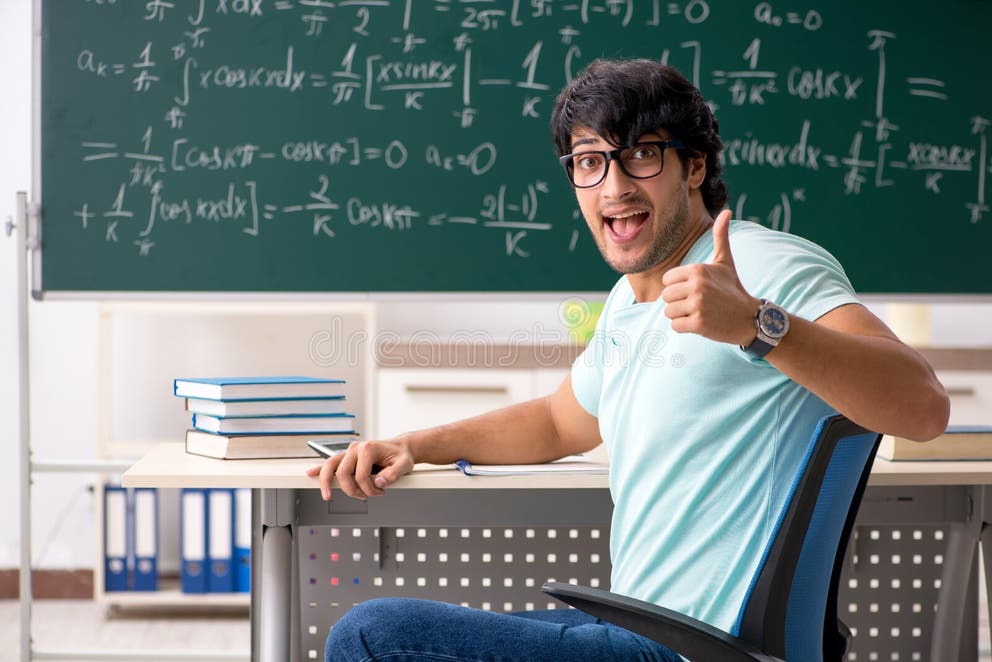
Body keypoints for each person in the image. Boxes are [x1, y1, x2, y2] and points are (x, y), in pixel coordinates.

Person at [307, 58, 950, 661]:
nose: (613, 186)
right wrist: (415, 444)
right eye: (589, 162)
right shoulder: (628, 299)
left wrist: (757, 324)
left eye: (641, 156)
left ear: (694, 166)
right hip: (638, 620)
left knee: (368, 636)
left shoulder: (760, 263)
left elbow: (923, 406)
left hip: (687, 645)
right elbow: (561, 421)